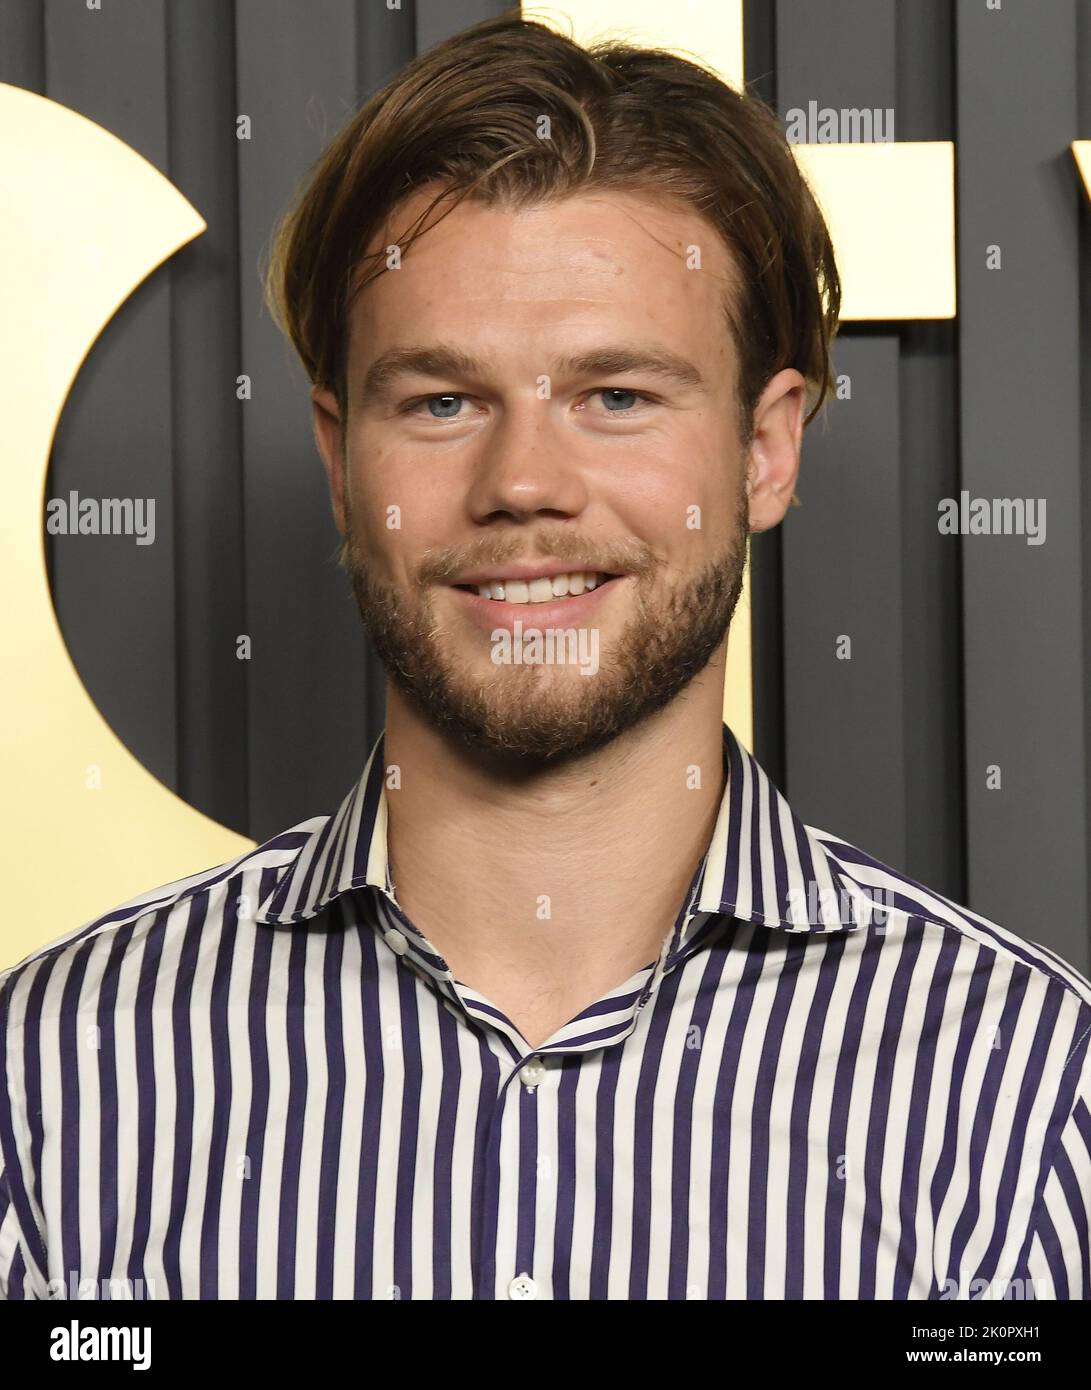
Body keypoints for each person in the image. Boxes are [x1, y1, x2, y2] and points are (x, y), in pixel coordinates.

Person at [2, 13, 1088, 1302]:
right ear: (340, 457)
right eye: (442, 402)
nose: (523, 483)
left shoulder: (1026, 1108)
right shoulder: (55, 1089)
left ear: (767, 447)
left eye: (617, 396)